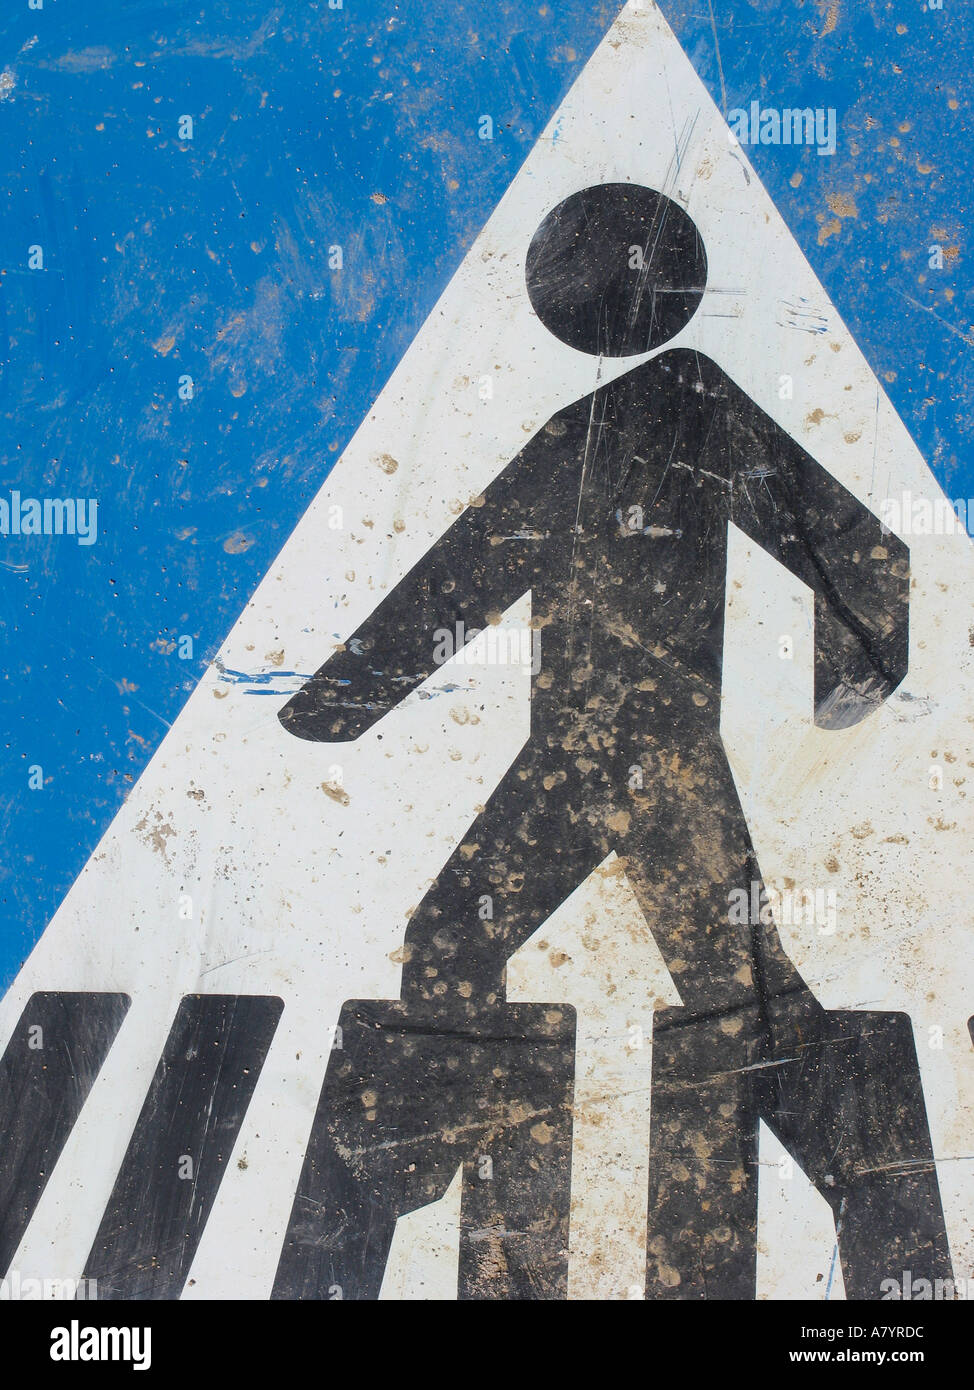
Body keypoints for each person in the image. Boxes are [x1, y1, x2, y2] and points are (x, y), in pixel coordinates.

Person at [274, 184, 951, 1300]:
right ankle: (464, 1185)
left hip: (658, 763)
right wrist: (338, 701)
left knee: (737, 997)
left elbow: (849, 529)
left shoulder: (686, 397)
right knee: (466, 936)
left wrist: (853, 663)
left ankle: (877, 1188)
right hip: (568, 757)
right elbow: (467, 573)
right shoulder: (578, 431)